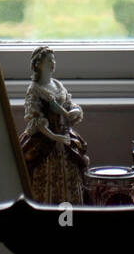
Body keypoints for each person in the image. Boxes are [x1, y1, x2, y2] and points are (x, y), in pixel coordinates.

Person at [19, 46, 89, 204]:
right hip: (44, 139)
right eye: (48, 60)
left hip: (64, 135)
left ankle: (69, 216)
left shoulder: (57, 85)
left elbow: (70, 104)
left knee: (72, 172)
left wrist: (75, 111)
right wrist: (54, 136)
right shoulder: (35, 90)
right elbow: (35, 119)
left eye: (53, 60)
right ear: (38, 64)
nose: (53, 63)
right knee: (42, 175)